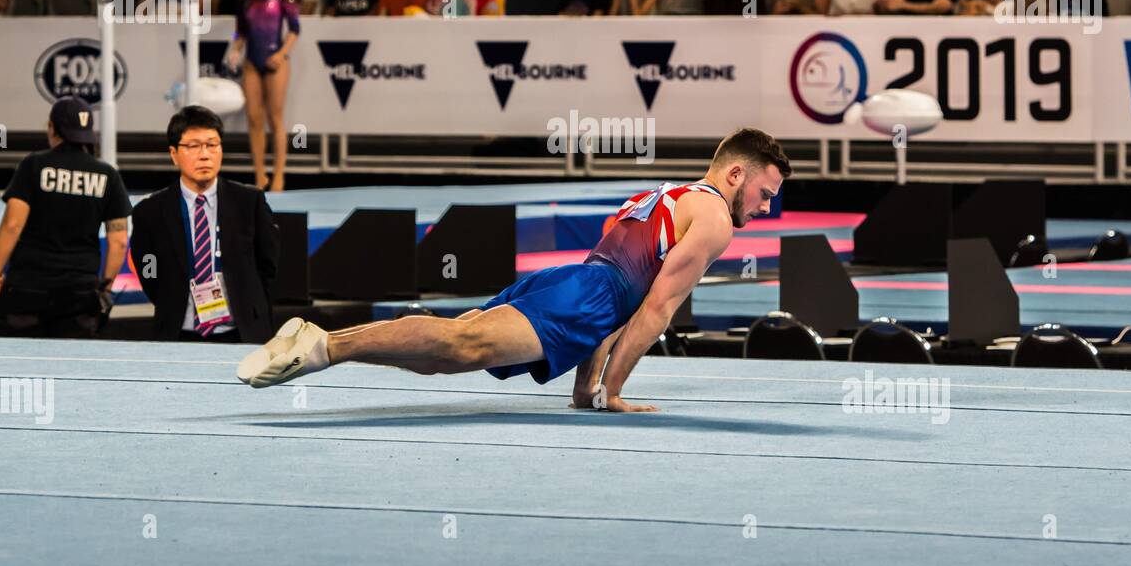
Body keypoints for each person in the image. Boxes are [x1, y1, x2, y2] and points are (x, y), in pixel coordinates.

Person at [237, 129, 793, 412]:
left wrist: (584, 390)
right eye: (766, 193)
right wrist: (611, 393)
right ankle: (322, 344)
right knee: (458, 344)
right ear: (737, 174)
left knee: (444, 358)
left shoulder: (670, 193)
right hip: (588, 295)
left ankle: (326, 344)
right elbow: (652, 310)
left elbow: (615, 306)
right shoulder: (715, 217)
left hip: (573, 282)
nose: (766, 208)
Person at [132, 106, 278, 344]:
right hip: (178, 333)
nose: (204, 154)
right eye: (193, 146)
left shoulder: (249, 202)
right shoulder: (150, 212)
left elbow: (268, 265)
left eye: (212, 145)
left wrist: (253, 306)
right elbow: (148, 270)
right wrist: (170, 300)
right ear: (174, 154)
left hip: (242, 334)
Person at [0, 97, 131, 338]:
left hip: (27, 288)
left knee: (18, 368)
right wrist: (104, 289)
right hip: (80, 294)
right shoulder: (107, 175)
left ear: (52, 128)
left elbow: (12, 225)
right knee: (72, 368)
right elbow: (118, 241)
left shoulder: (34, 165)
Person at [224, 0, 299, 192]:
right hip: (252, 62)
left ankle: (279, 175)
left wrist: (281, 53)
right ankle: (259, 175)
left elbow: (295, 28)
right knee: (254, 118)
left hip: (275, 60)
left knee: (274, 117)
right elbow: (241, 30)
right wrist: (235, 48)